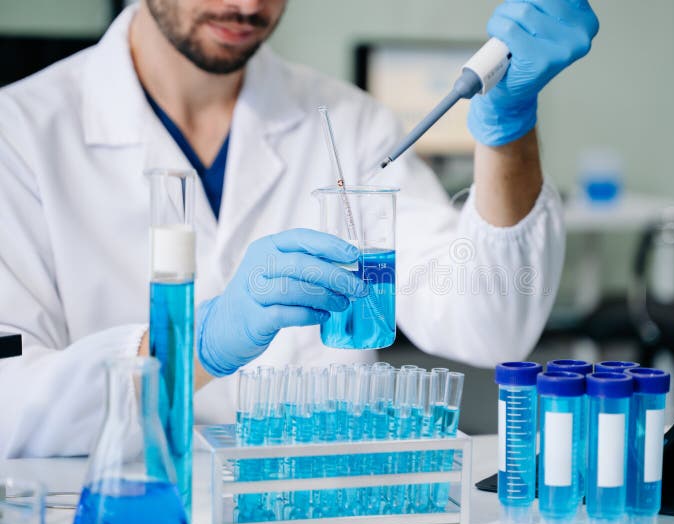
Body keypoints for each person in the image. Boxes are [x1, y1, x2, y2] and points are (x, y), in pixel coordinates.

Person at [0, 0, 598, 457]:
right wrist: (189, 347)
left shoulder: (348, 122)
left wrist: (508, 129)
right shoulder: (21, 135)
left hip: (323, 505)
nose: (246, 7)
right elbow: (10, 404)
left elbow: (489, 326)